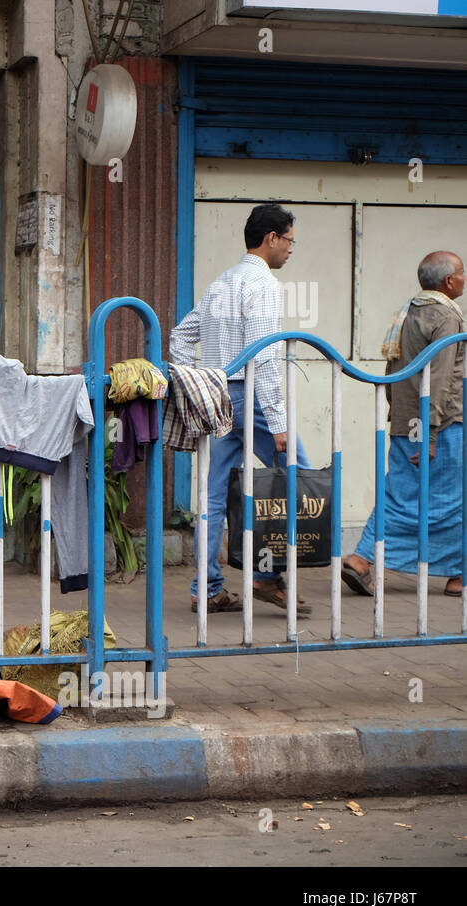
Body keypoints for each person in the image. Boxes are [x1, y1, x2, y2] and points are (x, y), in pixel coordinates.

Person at [170, 202, 313, 616]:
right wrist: (280, 422)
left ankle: (207, 589)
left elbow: (180, 337)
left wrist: (200, 379)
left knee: (213, 495)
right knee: (297, 480)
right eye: (288, 239)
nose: (290, 248)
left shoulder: (220, 283)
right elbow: (265, 358)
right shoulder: (264, 286)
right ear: (271, 238)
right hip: (252, 397)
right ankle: (266, 576)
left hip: (219, 398)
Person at [343, 251, 467, 597]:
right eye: (461, 273)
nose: (463, 279)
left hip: (405, 419)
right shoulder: (446, 317)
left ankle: (362, 559)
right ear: (447, 282)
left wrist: (400, 413)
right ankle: (458, 575)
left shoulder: (408, 311)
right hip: (441, 426)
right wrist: (429, 434)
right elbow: (442, 379)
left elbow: (391, 368)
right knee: (454, 499)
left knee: (399, 495)